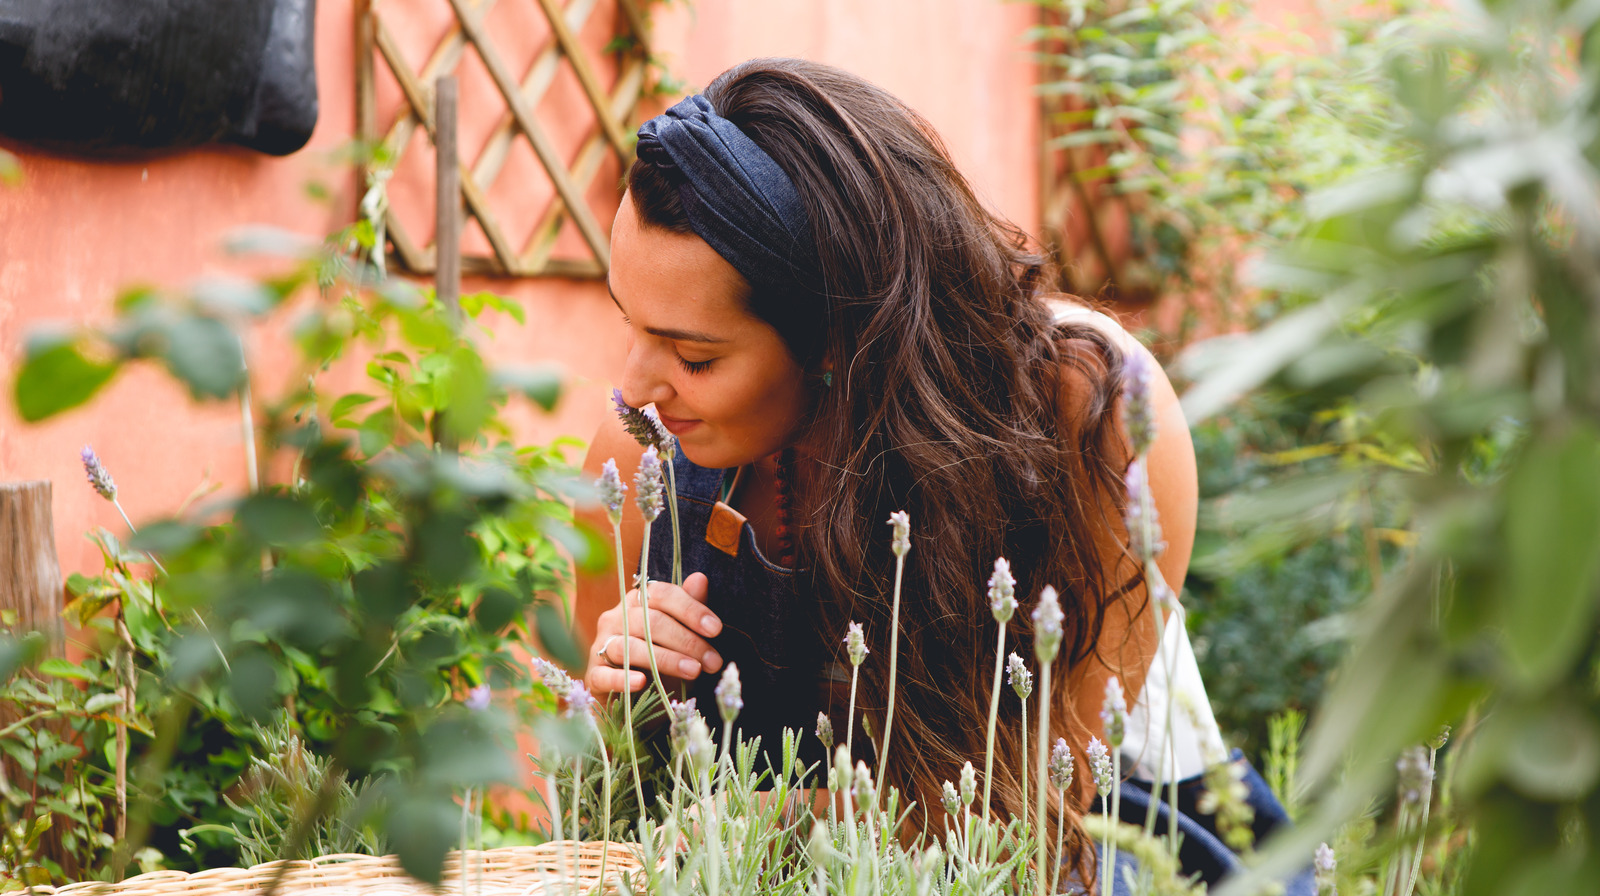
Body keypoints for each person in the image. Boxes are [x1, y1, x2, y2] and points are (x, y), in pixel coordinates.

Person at [573, 57, 1300, 894]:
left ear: (839, 335)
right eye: (628, 322)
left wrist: (755, 826)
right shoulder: (637, 463)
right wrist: (618, 701)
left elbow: (1043, 822)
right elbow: (619, 815)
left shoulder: (1084, 413)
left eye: (694, 356)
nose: (635, 386)